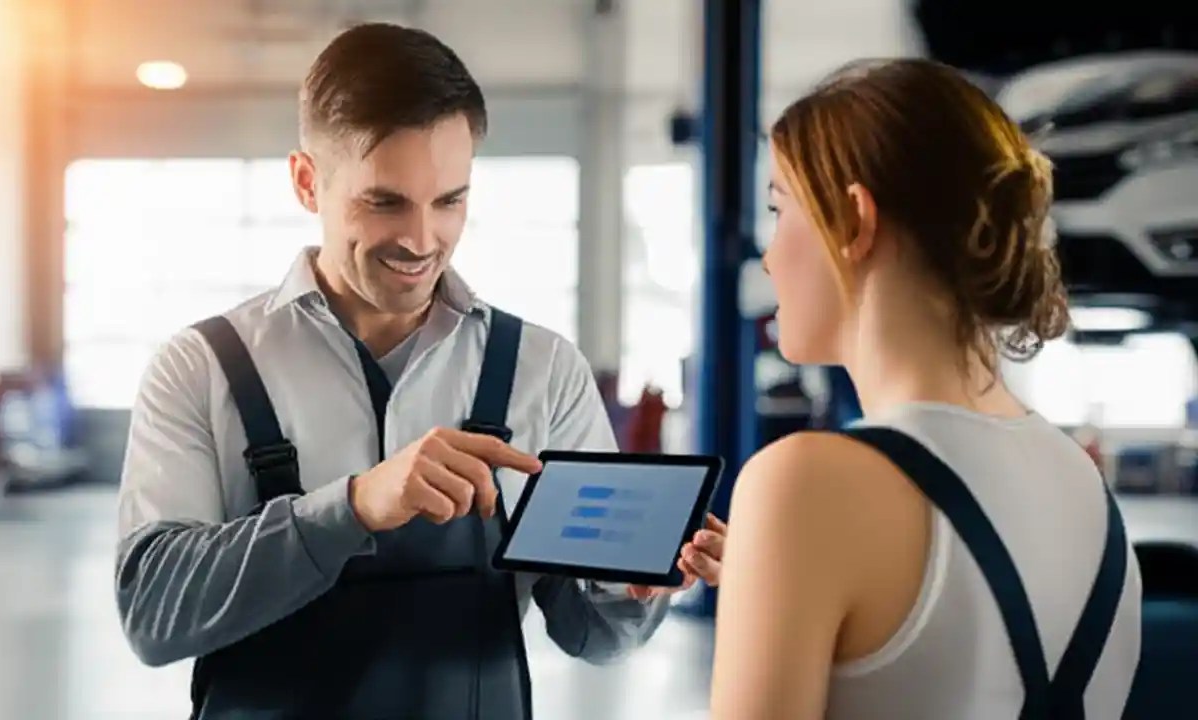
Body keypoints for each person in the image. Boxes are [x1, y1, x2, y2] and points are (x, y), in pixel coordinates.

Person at [114, 22, 725, 719]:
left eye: (449, 201)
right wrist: (353, 506)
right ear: (308, 182)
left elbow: (593, 633)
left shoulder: (543, 371)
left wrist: (637, 589)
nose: (421, 239)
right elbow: (153, 615)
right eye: (385, 202)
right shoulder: (202, 368)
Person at [708, 58, 1141, 719]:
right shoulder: (1082, 484)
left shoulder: (803, 484)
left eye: (779, 208)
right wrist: (776, 578)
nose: (768, 258)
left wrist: (785, 549)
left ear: (854, 221)